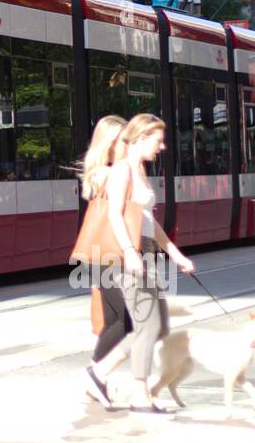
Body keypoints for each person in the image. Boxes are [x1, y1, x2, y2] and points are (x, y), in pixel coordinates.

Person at [104, 114, 194, 413]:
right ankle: (140, 394)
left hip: (147, 254)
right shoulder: (121, 172)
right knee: (148, 325)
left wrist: (175, 254)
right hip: (127, 255)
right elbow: (114, 215)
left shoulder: (139, 170)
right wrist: (130, 252)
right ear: (141, 139)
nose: (163, 146)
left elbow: (148, 222)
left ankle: (100, 371)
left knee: (159, 327)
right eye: (158, 140)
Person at [73, 115, 131, 408]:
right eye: (124, 140)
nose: (128, 146)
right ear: (109, 144)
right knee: (124, 321)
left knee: (114, 320)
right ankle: (96, 375)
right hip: (108, 255)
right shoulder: (109, 174)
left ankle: (99, 379)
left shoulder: (105, 172)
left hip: (105, 255)